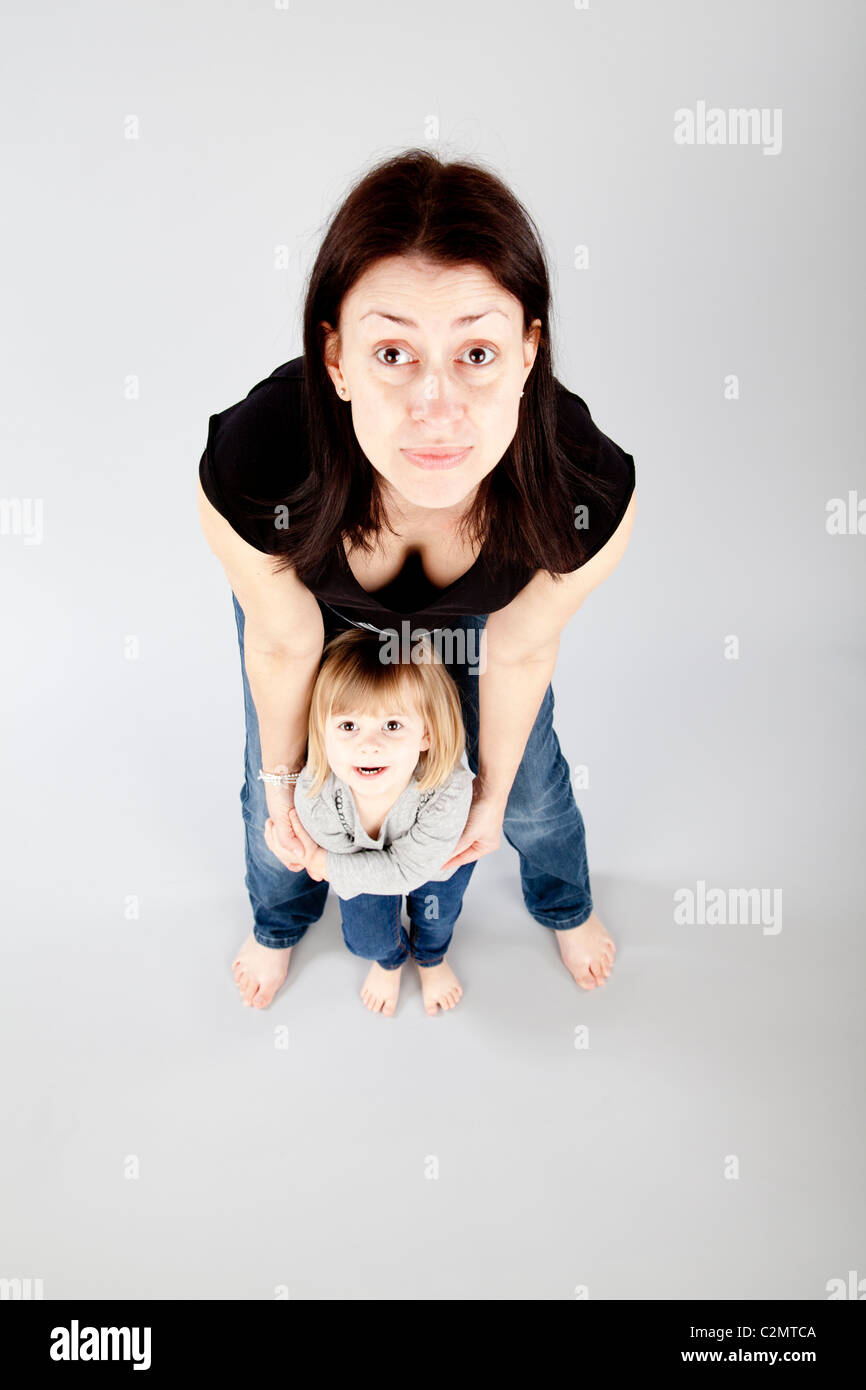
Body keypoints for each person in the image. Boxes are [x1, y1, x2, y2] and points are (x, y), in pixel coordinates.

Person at [196, 147, 637, 1012]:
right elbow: (285, 642)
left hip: (482, 628)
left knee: (533, 791)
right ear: (336, 359)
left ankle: (564, 901)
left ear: (527, 353)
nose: (437, 409)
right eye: (393, 353)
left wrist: (488, 795)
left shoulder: (584, 489)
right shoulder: (259, 459)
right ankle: (280, 921)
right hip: (318, 620)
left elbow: (516, 655)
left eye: (477, 352)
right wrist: (285, 783)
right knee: (271, 792)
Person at [275, 625, 474, 1016]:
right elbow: (345, 864)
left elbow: (411, 869)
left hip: (434, 864)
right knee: (366, 937)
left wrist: (318, 863)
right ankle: (389, 959)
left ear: (427, 735)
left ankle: (431, 956)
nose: (368, 744)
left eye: (393, 725)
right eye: (348, 726)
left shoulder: (448, 789)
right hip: (355, 868)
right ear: (324, 734)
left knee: (438, 911)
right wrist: (306, 852)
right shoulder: (316, 793)